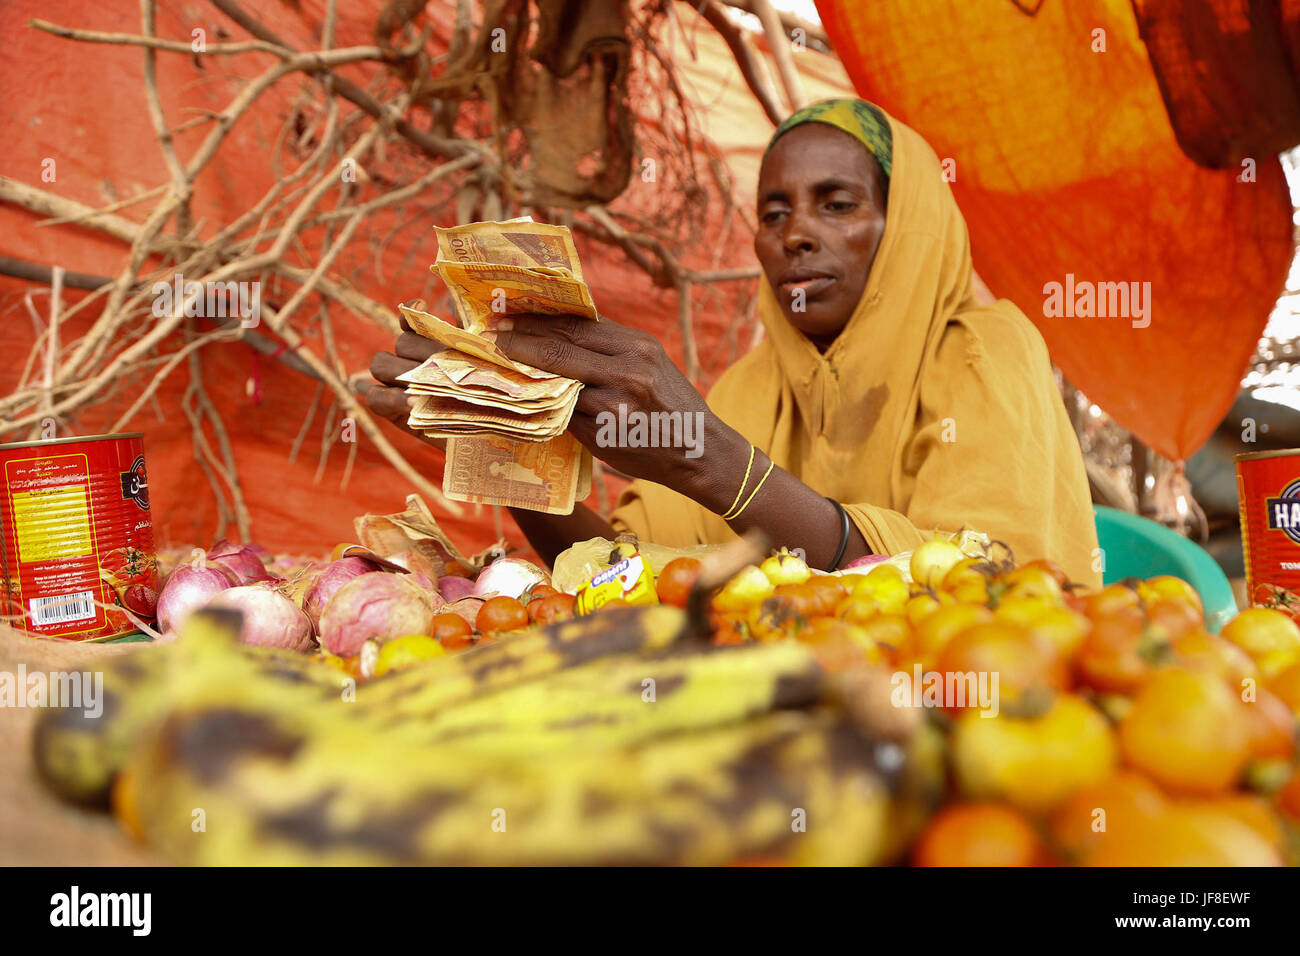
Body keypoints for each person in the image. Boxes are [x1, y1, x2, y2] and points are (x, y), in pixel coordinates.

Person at [361, 98, 1101, 587]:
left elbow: (983, 585)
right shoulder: (753, 385)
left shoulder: (985, 351)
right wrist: (502, 451)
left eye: (836, 204)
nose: (796, 235)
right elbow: (620, 572)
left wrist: (713, 459)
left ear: (906, 226)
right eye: (773, 213)